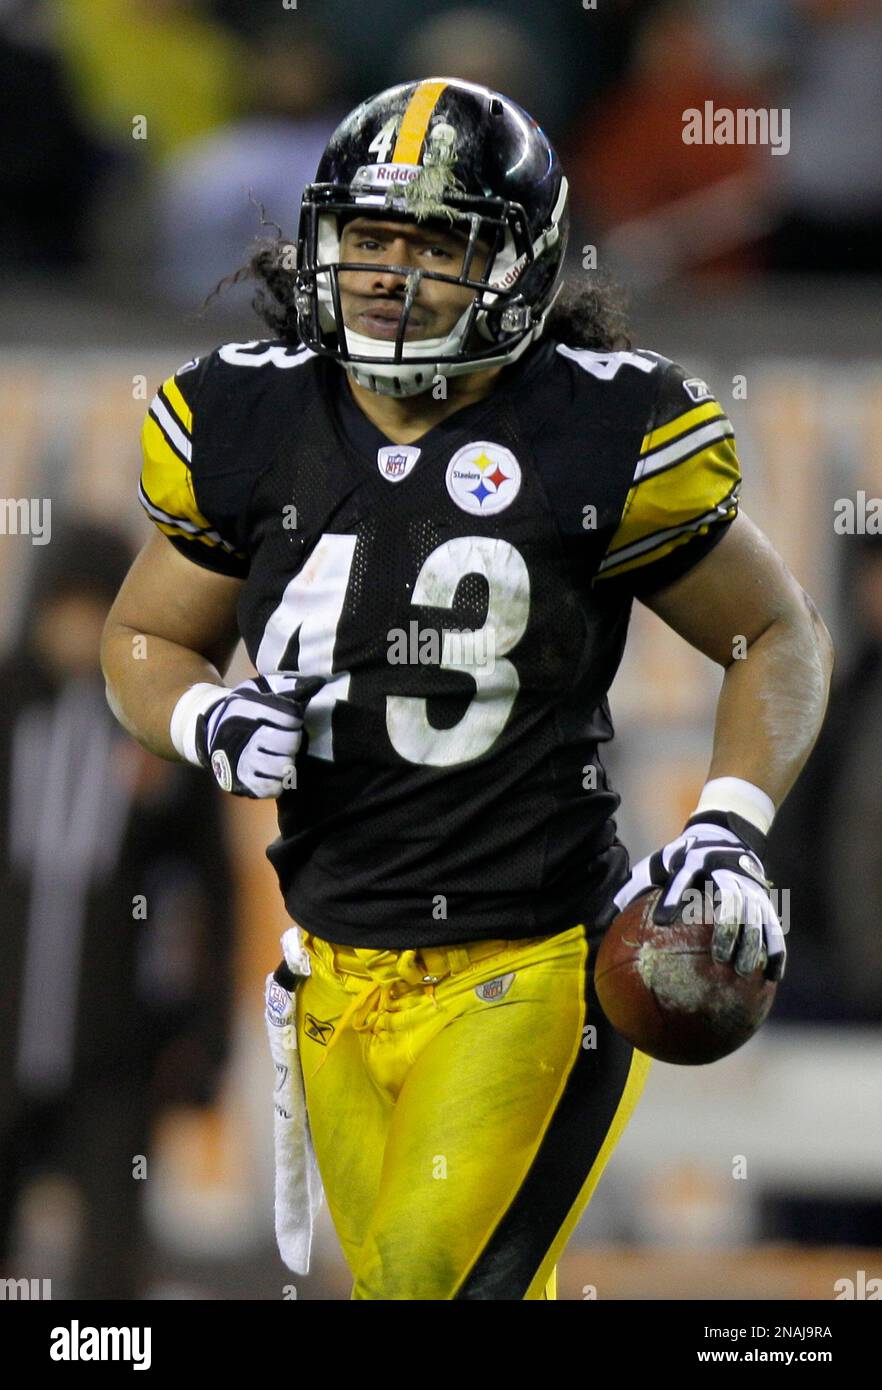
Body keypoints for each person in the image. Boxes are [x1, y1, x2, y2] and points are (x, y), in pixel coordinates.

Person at [101, 78, 834, 1300]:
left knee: (423, 1285)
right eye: (372, 238)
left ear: (519, 263)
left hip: (531, 962)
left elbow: (775, 629)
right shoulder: (252, 417)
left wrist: (729, 826)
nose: (392, 273)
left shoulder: (598, 432)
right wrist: (202, 714)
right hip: (336, 970)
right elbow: (141, 638)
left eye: (437, 243)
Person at [0, 519, 234, 1299]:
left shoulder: (160, 724)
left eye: (94, 608)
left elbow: (210, 890)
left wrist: (204, 1036)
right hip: (5, 1042)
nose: (73, 630)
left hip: (115, 1058)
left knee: (106, 1274)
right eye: (63, 607)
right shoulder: (7, 710)